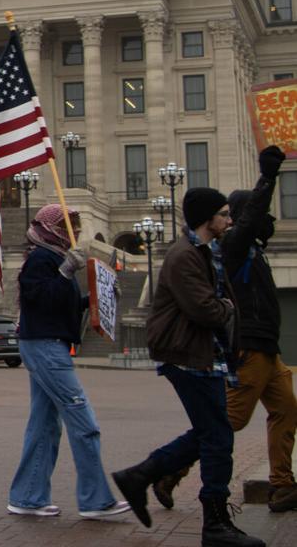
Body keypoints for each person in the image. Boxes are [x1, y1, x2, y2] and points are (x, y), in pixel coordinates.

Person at [113, 188, 266, 547]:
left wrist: (227, 317)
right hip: (186, 355)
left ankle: (140, 475)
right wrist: (227, 308)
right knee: (217, 436)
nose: (229, 220)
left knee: (211, 432)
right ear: (206, 217)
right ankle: (214, 526)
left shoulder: (204, 252)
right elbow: (205, 309)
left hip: (202, 353)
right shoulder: (184, 256)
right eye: (224, 214)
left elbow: (216, 305)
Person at [154, 147, 297, 514]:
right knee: (222, 425)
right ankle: (169, 471)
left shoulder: (255, 251)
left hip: (269, 350)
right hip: (249, 349)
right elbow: (249, 221)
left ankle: (282, 485)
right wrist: (267, 179)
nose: (267, 221)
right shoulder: (232, 248)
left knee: (286, 410)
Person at [6, 205, 129, 520]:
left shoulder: (54, 257)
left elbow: (61, 304)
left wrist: (95, 298)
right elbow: (38, 296)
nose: (73, 229)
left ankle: (27, 497)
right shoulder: (40, 258)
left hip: (48, 342)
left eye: (75, 223)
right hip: (46, 346)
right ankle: (95, 499)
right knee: (83, 422)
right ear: (52, 227)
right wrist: (65, 272)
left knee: (45, 424)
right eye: (68, 223)